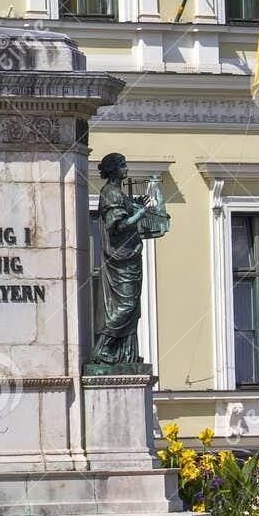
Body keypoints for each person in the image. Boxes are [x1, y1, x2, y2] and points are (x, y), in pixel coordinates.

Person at [88, 152, 168, 372]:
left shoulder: (118, 193)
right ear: (113, 169)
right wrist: (140, 215)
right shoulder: (110, 193)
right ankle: (104, 349)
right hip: (120, 259)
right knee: (126, 305)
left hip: (129, 256)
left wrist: (135, 205)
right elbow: (118, 226)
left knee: (133, 308)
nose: (126, 168)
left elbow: (124, 213)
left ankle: (124, 353)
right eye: (122, 165)